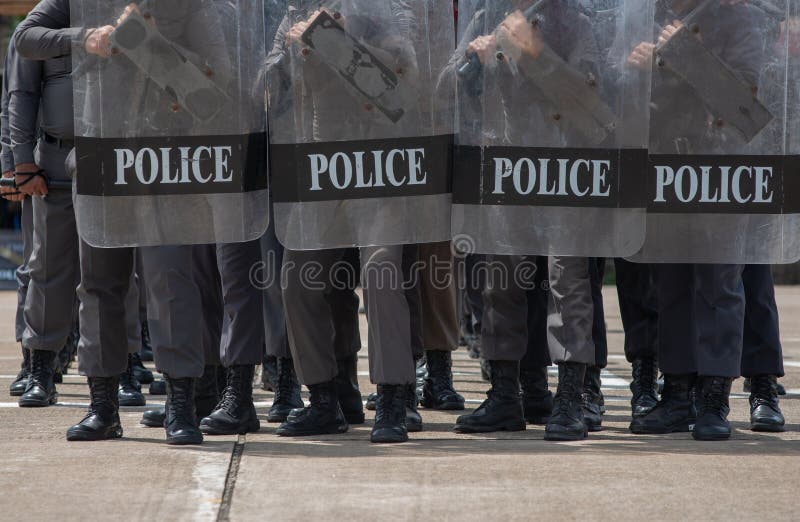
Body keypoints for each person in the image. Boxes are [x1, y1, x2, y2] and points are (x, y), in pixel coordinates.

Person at [13, 0, 251, 445]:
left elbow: (218, 77)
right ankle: (102, 407)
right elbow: (25, 38)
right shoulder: (75, 2)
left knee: (170, 280)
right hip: (99, 156)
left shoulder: (188, 7)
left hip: (164, 162)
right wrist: (85, 37)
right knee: (99, 285)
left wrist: (151, 43)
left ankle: (182, 405)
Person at [627, 0, 767, 441]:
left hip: (719, 169)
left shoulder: (735, 17)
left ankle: (714, 396)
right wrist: (637, 68)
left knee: (719, 284)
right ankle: (677, 391)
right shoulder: (648, 15)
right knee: (670, 285)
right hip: (665, 167)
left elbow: (746, 97)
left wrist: (684, 52)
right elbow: (617, 90)